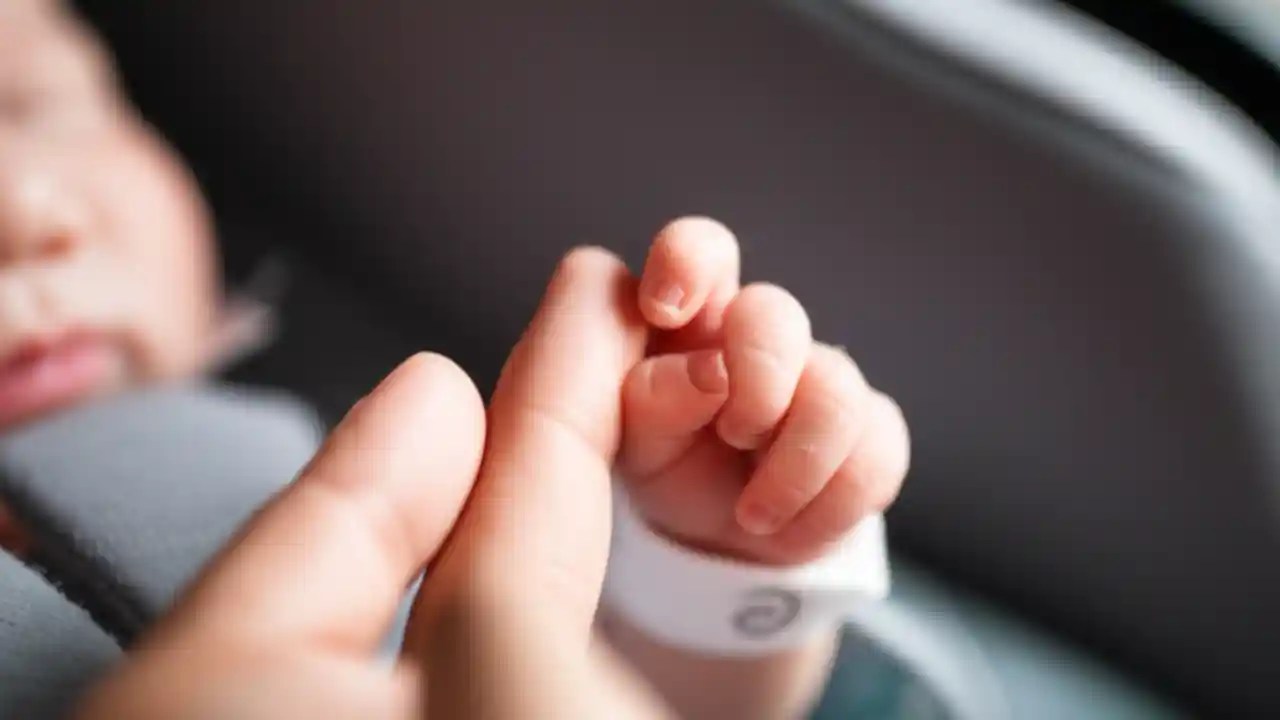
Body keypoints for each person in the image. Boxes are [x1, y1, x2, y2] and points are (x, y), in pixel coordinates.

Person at [1, 2, 910, 717]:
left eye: (34, 106)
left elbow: (621, 696)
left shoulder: (358, 432)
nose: (21, 208)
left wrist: (707, 566)